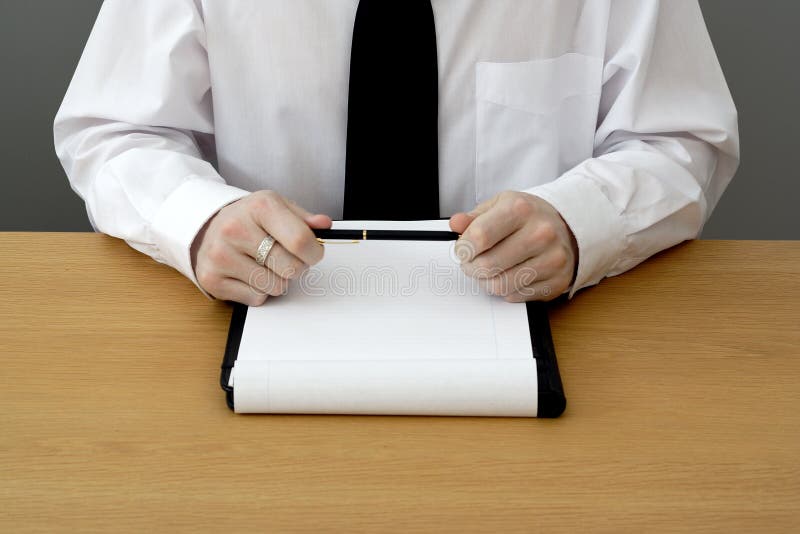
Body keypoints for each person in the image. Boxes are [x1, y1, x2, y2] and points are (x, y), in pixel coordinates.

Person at [54, 0, 739, 306]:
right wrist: (201, 222)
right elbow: (114, 130)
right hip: (263, 327)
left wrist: (578, 222)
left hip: (544, 340)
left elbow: (679, 137)